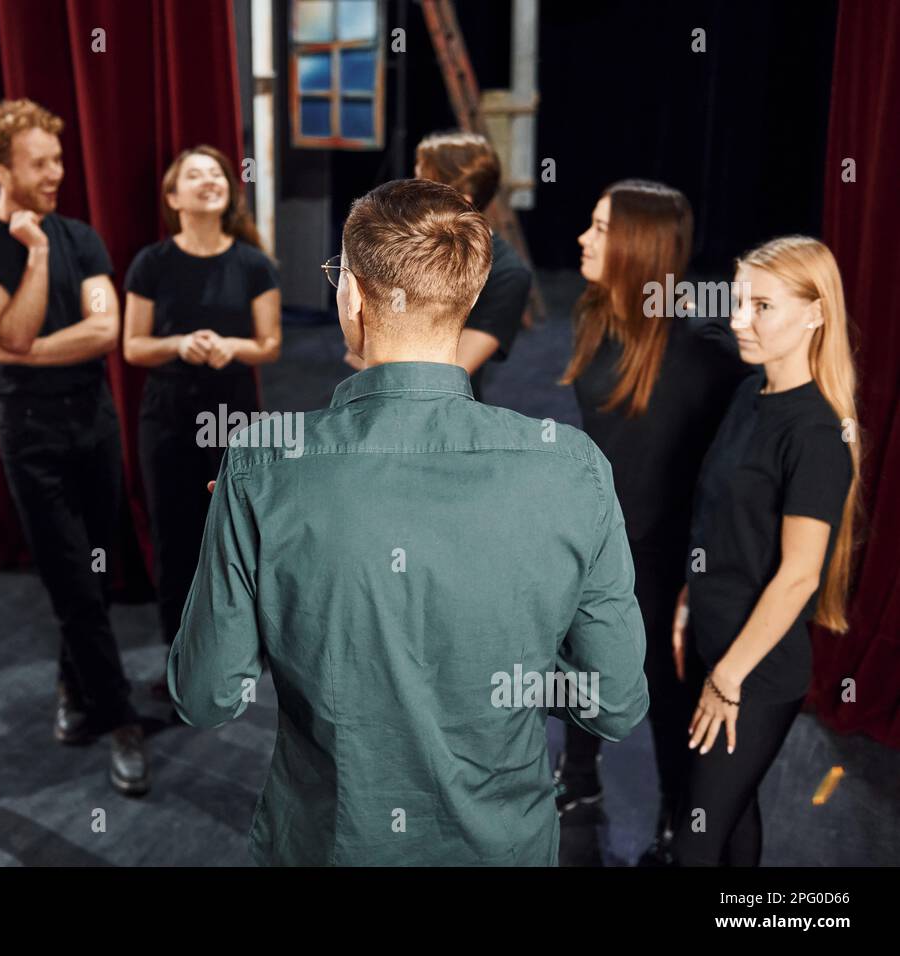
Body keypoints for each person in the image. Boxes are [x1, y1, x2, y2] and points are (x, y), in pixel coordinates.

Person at [167, 179, 649, 865]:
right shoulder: (574, 467)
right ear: (467, 297)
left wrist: (244, 545)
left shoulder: (262, 464)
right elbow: (614, 704)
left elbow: (206, 696)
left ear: (353, 296)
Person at [0, 98, 149, 795]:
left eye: (58, 159)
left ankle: (72, 686)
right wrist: (33, 255)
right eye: (40, 163)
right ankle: (120, 719)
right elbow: (17, 327)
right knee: (69, 578)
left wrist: (14, 353)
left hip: (94, 421)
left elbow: (104, 331)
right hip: (28, 432)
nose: (57, 172)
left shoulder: (82, 237)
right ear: (0, 170)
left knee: (93, 571)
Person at [552, 180, 750, 865]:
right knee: (578, 665)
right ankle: (579, 778)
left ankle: (676, 813)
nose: (584, 238)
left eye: (601, 228)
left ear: (637, 246)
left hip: (663, 559)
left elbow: (725, 480)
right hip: (594, 539)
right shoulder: (593, 317)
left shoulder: (703, 360)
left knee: (665, 691)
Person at [673, 236, 859, 866]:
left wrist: (727, 679)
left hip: (753, 672)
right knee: (732, 815)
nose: (737, 320)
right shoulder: (749, 393)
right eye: (737, 302)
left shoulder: (815, 435)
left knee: (695, 842)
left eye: (761, 306)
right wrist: (690, 599)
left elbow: (800, 577)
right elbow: (722, 520)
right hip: (714, 641)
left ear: (815, 313)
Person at [121, 145, 281, 701]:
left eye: (217, 173)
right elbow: (133, 346)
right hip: (167, 415)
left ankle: (240, 653)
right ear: (174, 197)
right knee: (174, 537)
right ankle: (181, 660)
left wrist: (231, 347)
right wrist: (179, 344)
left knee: (235, 533)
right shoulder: (151, 263)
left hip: (233, 413)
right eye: (195, 175)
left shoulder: (254, 263)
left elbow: (269, 344)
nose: (209, 180)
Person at [409, 131, 533, 404]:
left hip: (444, 413)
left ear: (460, 200)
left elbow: (445, 374)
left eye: (422, 185)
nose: (411, 195)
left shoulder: (506, 274)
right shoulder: (406, 247)